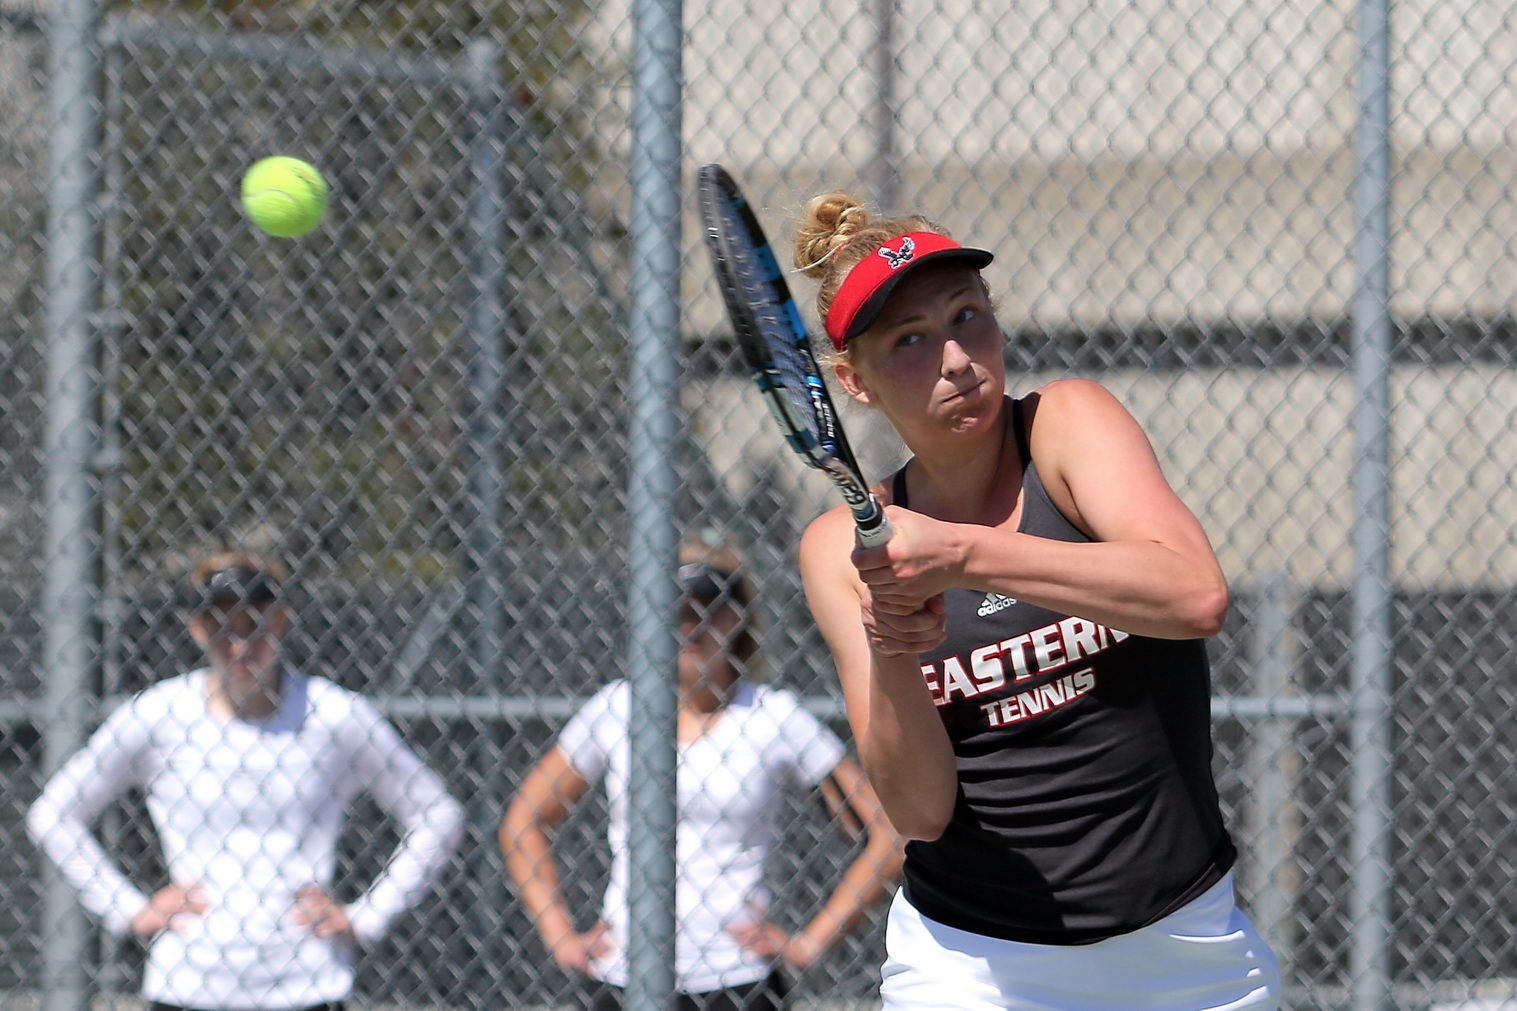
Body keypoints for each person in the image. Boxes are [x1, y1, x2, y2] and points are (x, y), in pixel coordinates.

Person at [790, 192, 1283, 1010]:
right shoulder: (838, 547)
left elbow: (1194, 594)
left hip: (1182, 947)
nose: (956, 358)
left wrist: (964, 557)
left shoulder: (1067, 424)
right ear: (854, 381)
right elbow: (917, 809)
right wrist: (892, 638)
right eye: (910, 340)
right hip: (970, 964)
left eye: (967, 317)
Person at [27, 549, 465, 1011]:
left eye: (253, 625)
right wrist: (128, 910)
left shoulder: (333, 714)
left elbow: (437, 814)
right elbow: (53, 815)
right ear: (198, 629)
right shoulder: (159, 713)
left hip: (307, 983)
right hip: (189, 983)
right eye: (221, 627)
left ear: (280, 623)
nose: (239, 645)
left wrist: (367, 916)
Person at [501, 530, 904, 1011]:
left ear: (737, 617)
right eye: (676, 609)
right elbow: (523, 822)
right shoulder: (617, 708)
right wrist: (561, 936)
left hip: (737, 980)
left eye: (709, 608)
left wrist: (810, 942)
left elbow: (890, 835)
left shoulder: (772, 716)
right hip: (624, 974)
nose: (691, 625)